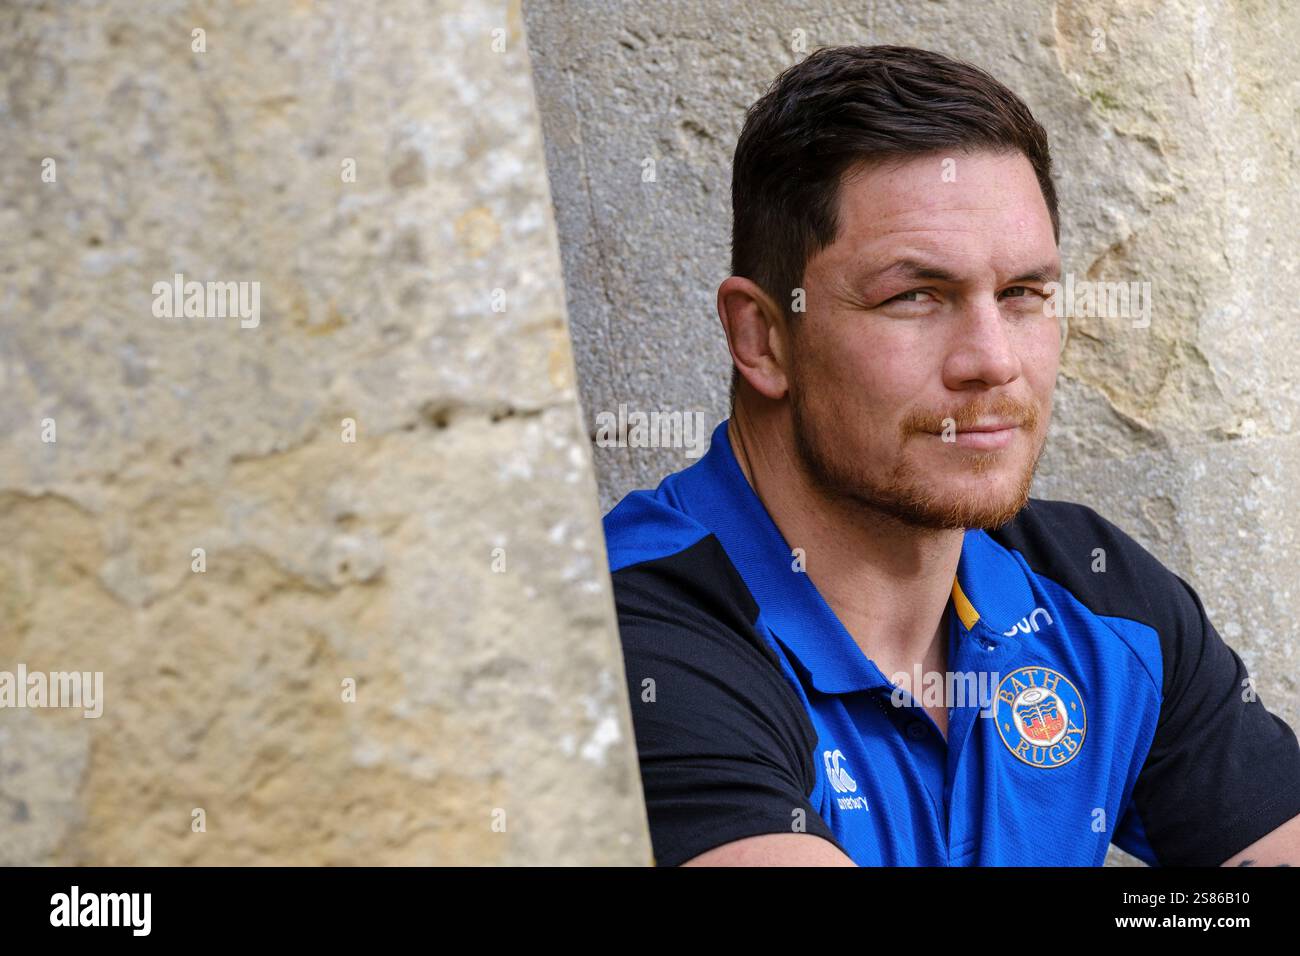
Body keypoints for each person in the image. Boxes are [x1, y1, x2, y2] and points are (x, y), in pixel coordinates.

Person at [601, 45, 1300, 866]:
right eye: (915, 297)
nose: (992, 360)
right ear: (762, 338)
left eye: (1022, 295)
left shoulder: (1094, 589)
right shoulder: (632, 633)